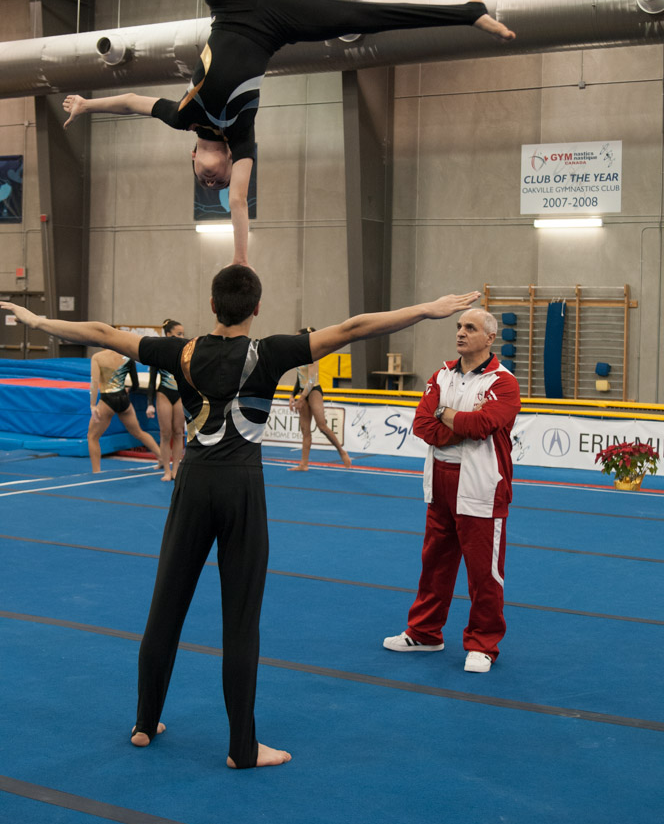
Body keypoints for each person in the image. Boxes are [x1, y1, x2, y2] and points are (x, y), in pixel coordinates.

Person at [1, 272, 480, 768]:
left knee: (166, 603)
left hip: (193, 485)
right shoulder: (270, 353)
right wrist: (426, 309)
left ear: (212, 303)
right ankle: (241, 747)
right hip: (241, 488)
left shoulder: (179, 352)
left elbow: (100, 333)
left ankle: (145, 723)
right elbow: (356, 327)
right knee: (240, 620)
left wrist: (37, 319)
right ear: (257, 306)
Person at [64, 0, 516, 267]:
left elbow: (128, 101)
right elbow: (239, 198)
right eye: (217, 177)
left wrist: (87, 104)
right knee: (361, 16)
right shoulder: (241, 136)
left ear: (193, 155)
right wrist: (241, 256)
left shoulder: (182, 116)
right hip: (274, 23)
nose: (213, 179)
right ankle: (466, 10)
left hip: (232, 4)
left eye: (207, 178)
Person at [383, 308, 520, 673]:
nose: (460, 332)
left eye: (470, 328)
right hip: (439, 482)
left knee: (483, 573)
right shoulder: (441, 374)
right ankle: (425, 632)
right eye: (459, 326)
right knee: (435, 564)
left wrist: (447, 414)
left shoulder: (503, 382)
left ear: (490, 337)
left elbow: (486, 424)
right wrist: (459, 421)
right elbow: (422, 425)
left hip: (481, 486)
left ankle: (483, 644)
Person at [88, 347, 162, 473]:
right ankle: (162, 458)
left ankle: (96, 471)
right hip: (124, 400)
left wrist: (93, 405)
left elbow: (94, 382)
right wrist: (128, 390)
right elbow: (135, 384)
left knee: (92, 437)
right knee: (138, 432)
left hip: (107, 400)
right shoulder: (127, 357)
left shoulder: (98, 357)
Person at [289, 327, 351, 470]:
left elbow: (311, 380)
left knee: (321, 425)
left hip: (314, 391)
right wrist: (293, 395)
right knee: (305, 429)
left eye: (298, 337)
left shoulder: (313, 355)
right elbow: (300, 379)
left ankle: (342, 452)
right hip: (303, 393)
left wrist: (301, 398)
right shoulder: (298, 356)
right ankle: (303, 464)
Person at [146, 319, 186, 481]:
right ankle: (167, 471)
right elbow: (151, 380)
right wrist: (149, 404)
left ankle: (176, 469)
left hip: (179, 395)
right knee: (165, 433)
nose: (182, 336)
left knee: (178, 432)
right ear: (168, 334)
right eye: (179, 334)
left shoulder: (185, 352)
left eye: (183, 333)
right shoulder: (159, 354)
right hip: (163, 393)